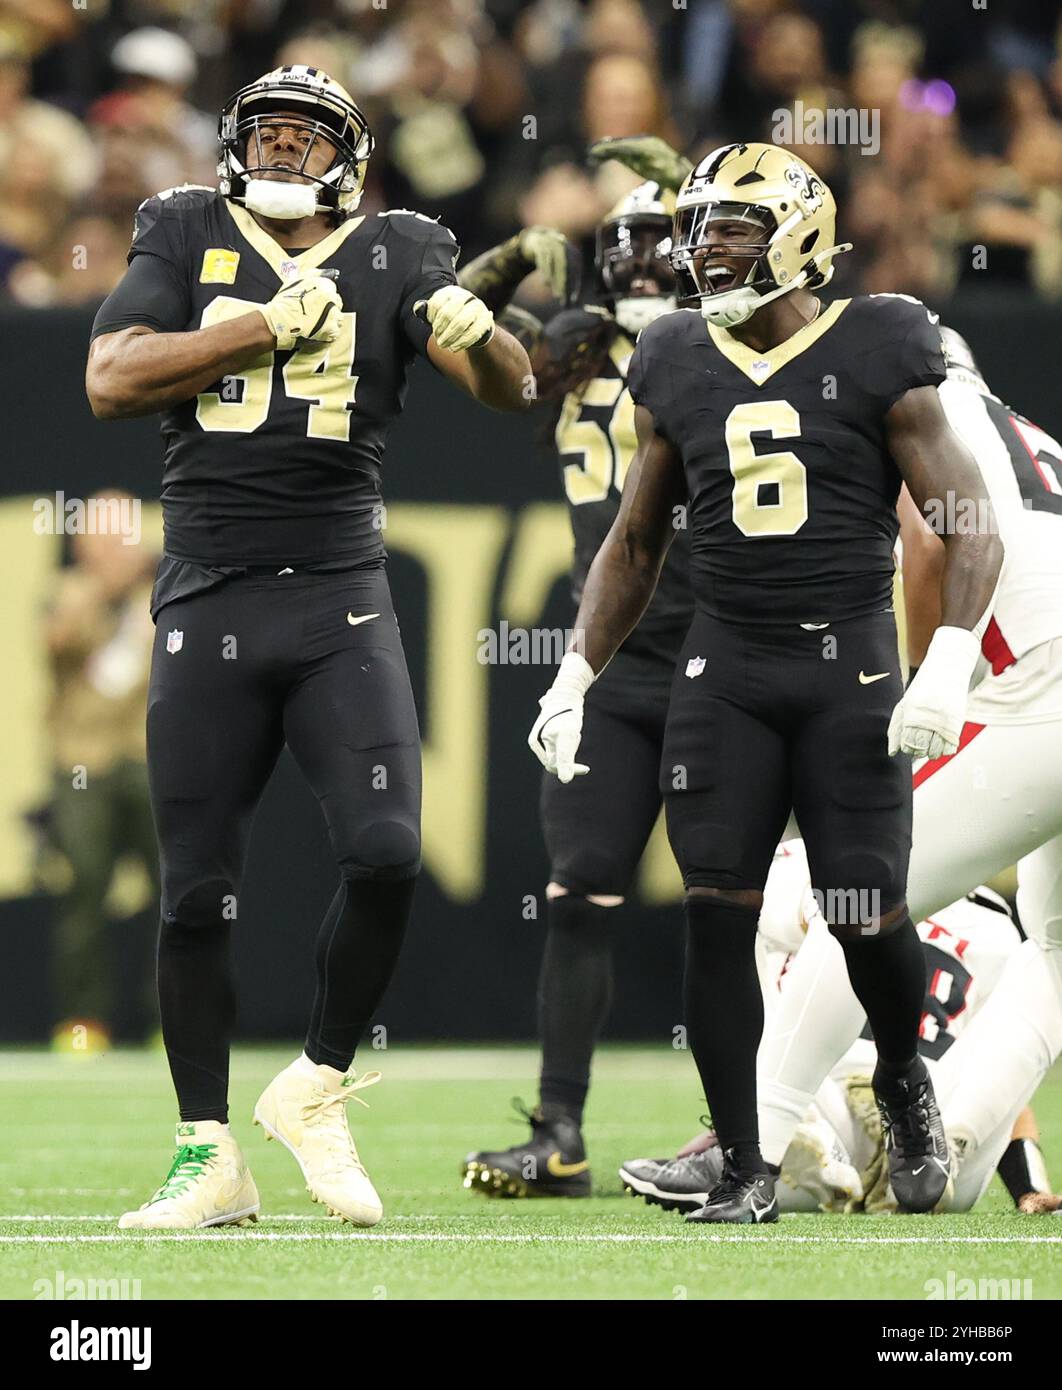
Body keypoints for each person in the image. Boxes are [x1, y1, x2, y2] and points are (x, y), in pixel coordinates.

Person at [85, 64, 530, 1232]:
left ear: (349, 157)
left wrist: (475, 332)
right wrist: (255, 331)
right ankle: (205, 1151)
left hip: (339, 596)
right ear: (237, 148)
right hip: (210, 595)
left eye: (306, 137)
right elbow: (109, 376)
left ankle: (315, 1083)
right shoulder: (183, 226)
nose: (283, 152)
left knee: (386, 851)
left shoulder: (401, 246)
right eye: (267, 135)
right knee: (197, 895)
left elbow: (510, 386)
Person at [529, 141, 1003, 1223]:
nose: (706, 250)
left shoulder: (882, 337)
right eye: (698, 229)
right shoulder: (680, 355)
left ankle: (902, 1075)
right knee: (716, 910)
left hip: (849, 663)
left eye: (731, 227)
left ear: (796, 237)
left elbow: (964, 514)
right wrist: (574, 676)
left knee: (866, 911)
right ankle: (746, 1160)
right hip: (725, 663)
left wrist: (948, 661)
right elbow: (634, 542)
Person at [742, 329, 1062, 1192]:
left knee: (857, 893)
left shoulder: (925, 415)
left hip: (1040, 703)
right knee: (1057, 949)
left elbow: (929, 544)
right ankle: (949, 1137)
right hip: (1042, 689)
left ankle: (755, 1145)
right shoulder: (1030, 436)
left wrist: (922, 684)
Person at [456, 184, 692, 1197]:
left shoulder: (724, 346)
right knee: (577, 896)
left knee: (757, 905)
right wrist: (512, 263)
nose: (640, 266)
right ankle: (561, 1136)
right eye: (624, 248)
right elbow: (449, 324)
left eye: (661, 246)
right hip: (613, 668)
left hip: (725, 655)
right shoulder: (571, 352)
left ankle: (780, 1122)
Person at [620, 838, 1062, 1217]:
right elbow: (1001, 1064)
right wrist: (1028, 1184)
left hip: (833, 1113)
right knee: (1047, 962)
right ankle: (934, 1147)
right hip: (920, 1134)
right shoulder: (991, 922)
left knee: (735, 912)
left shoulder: (800, 864)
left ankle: (774, 1128)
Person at [44, 493, 158, 1053]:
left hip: (145, 756)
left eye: (123, 537)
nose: (115, 549)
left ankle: (174, 1022)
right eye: (102, 538)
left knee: (175, 893)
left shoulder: (161, 595)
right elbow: (58, 643)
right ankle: (82, 1021)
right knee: (85, 892)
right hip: (83, 763)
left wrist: (143, 603)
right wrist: (98, 593)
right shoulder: (67, 594)